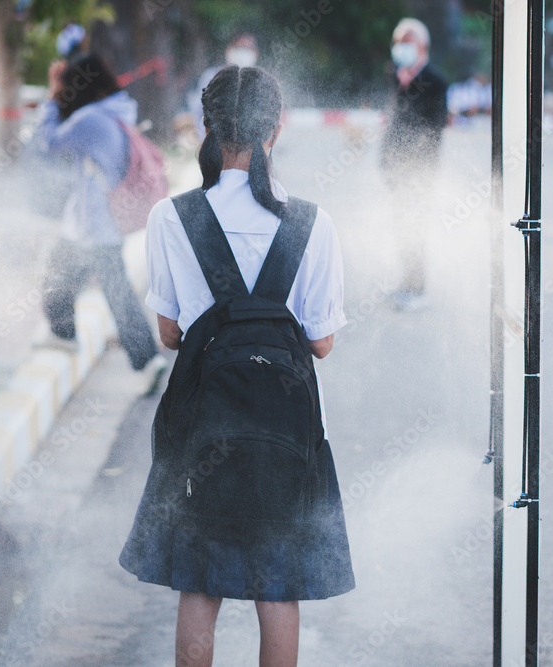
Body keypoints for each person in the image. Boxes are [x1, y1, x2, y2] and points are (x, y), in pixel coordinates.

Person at [119, 65, 354, 667]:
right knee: (279, 587)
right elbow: (322, 342)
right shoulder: (313, 223)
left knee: (201, 581)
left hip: (203, 425)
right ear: (276, 130)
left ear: (206, 126)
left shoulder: (172, 219)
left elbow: (170, 334)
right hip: (284, 431)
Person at [36, 54, 166, 390]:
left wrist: (52, 95)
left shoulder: (92, 119)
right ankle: (143, 358)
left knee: (64, 280)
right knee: (106, 288)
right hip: (97, 224)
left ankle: (71, 337)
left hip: (92, 226)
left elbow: (48, 141)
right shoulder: (116, 111)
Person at [379, 18, 449, 310]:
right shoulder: (396, 74)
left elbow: (435, 127)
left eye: (408, 42)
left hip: (419, 170)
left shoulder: (436, 80)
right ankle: (405, 282)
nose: (402, 48)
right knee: (400, 226)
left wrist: (415, 166)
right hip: (395, 169)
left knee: (416, 227)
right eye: (398, 42)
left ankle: (418, 288)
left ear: (423, 45)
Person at [189, 34, 260, 141]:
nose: (243, 52)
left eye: (248, 48)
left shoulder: (260, 82)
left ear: (256, 54)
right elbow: (197, 112)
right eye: (240, 47)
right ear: (230, 50)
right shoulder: (211, 76)